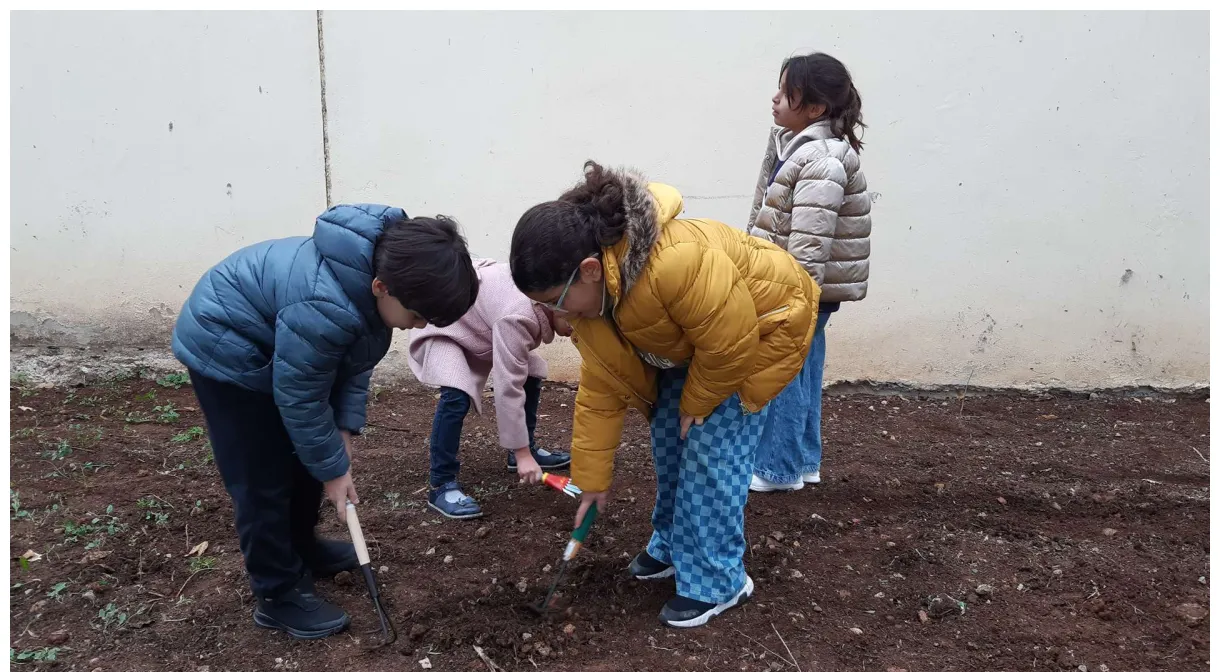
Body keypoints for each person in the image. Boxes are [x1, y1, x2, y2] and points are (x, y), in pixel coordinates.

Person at [509, 162, 817, 628]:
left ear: (590, 270)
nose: (553, 314)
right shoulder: (595, 305)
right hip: (694, 345)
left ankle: (719, 581)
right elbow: (601, 389)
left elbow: (730, 342)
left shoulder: (674, 263)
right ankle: (674, 545)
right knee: (670, 445)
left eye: (555, 300)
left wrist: (697, 404)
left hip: (762, 329)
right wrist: (591, 482)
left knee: (711, 457)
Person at [172, 205, 478, 639]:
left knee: (303, 456)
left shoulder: (374, 286)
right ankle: (277, 593)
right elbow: (300, 396)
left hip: (281, 352)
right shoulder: (326, 303)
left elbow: (353, 364)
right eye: (417, 316)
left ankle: (302, 547)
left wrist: (345, 430)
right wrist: (334, 471)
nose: (420, 325)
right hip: (226, 348)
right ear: (381, 287)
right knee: (262, 476)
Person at [746, 52, 872, 492]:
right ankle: (803, 462)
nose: (776, 98)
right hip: (799, 286)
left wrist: (792, 299)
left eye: (788, 93)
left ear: (815, 108)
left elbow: (810, 241)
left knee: (785, 371)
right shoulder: (793, 142)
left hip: (800, 288)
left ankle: (778, 469)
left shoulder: (822, 158)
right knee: (805, 368)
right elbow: (767, 209)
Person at [408, 257, 573, 520]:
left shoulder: (540, 294)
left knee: (532, 370)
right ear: (558, 303)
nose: (580, 327)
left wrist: (523, 452)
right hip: (444, 326)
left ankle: (524, 449)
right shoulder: (519, 314)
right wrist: (522, 456)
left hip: (476, 326)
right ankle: (441, 484)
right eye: (578, 319)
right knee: (456, 394)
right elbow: (507, 385)